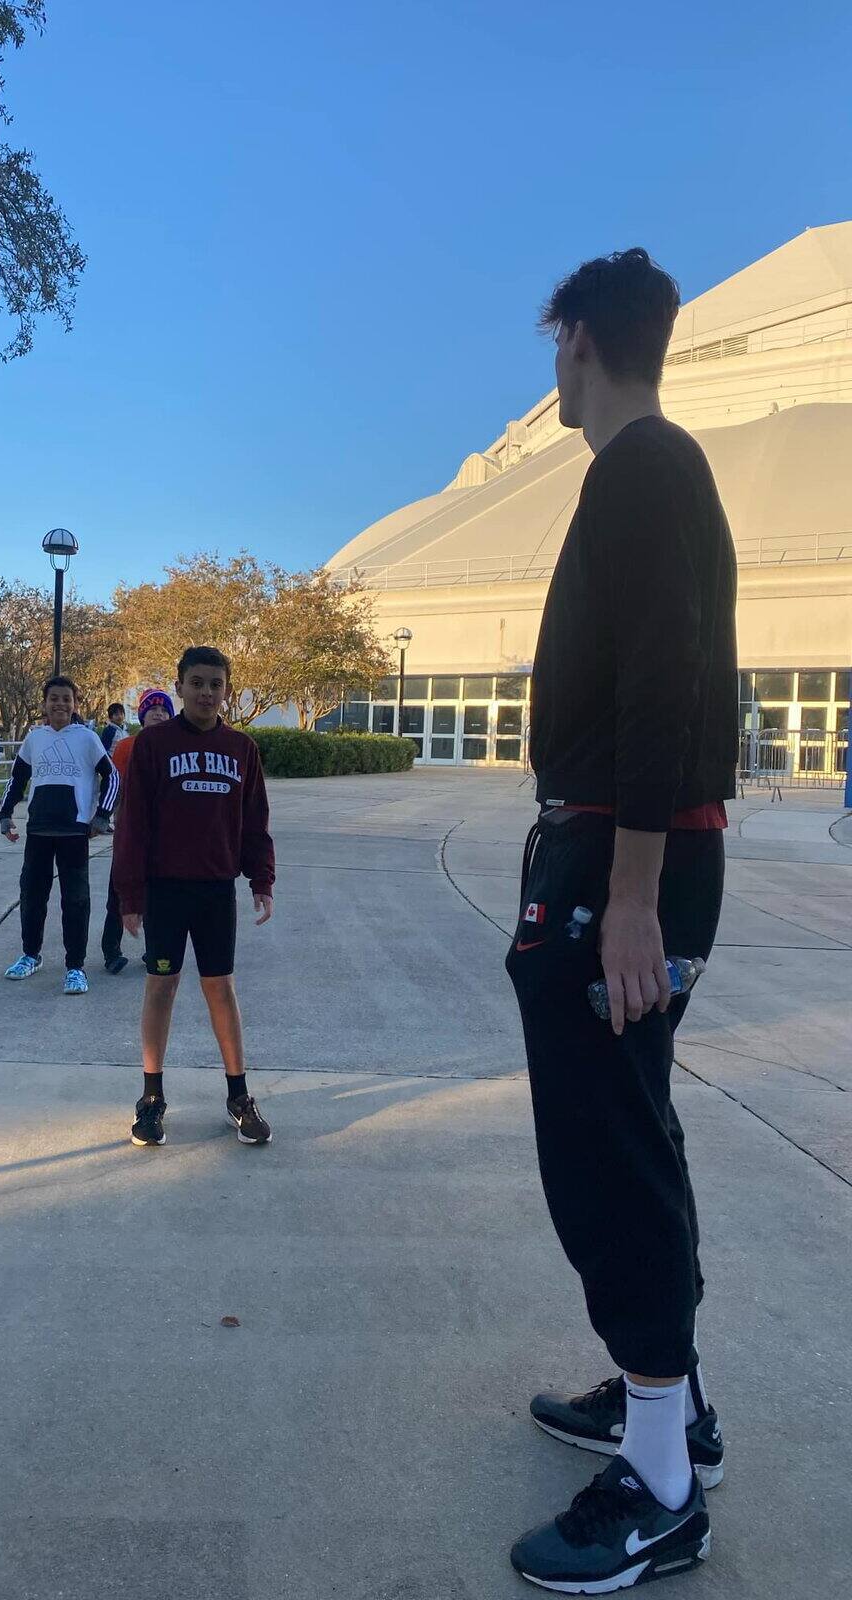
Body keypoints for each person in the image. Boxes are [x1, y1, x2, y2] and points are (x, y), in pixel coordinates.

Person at [503, 248, 737, 1593]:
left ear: (582, 338)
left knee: (604, 1151)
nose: (553, 375)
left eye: (555, 348)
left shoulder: (642, 466)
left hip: (620, 862)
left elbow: (664, 685)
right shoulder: (659, 471)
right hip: (615, 851)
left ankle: (660, 1489)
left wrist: (633, 894)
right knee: (632, 1125)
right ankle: (671, 1399)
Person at [112, 646, 275, 1148]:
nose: (207, 692)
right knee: (161, 986)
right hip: (165, 889)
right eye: (197, 683)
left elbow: (254, 820)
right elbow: (132, 824)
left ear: (228, 689)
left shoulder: (242, 747)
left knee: (220, 988)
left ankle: (238, 1096)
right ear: (179, 686)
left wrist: (261, 880)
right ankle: (152, 1099)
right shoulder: (153, 745)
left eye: (216, 684)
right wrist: (130, 894)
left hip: (214, 890)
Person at [0, 675, 120, 995]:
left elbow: (113, 777)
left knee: (76, 900)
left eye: (67, 698)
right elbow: (18, 778)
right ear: (44, 704)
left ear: (75, 704)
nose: (60, 704)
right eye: (54, 698)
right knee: (32, 895)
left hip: (74, 831)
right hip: (38, 829)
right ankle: (30, 955)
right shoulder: (34, 738)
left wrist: (102, 817)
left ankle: (75, 967)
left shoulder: (87, 738)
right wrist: (5, 814)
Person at [100, 688, 174, 974]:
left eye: (164, 709)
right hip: (129, 835)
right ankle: (111, 951)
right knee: (118, 894)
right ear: (142, 715)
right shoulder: (126, 747)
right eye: (152, 708)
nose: (158, 713)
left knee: (159, 899)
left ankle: (154, 951)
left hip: (163, 838)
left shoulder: (173, 747)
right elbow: (114, 786)